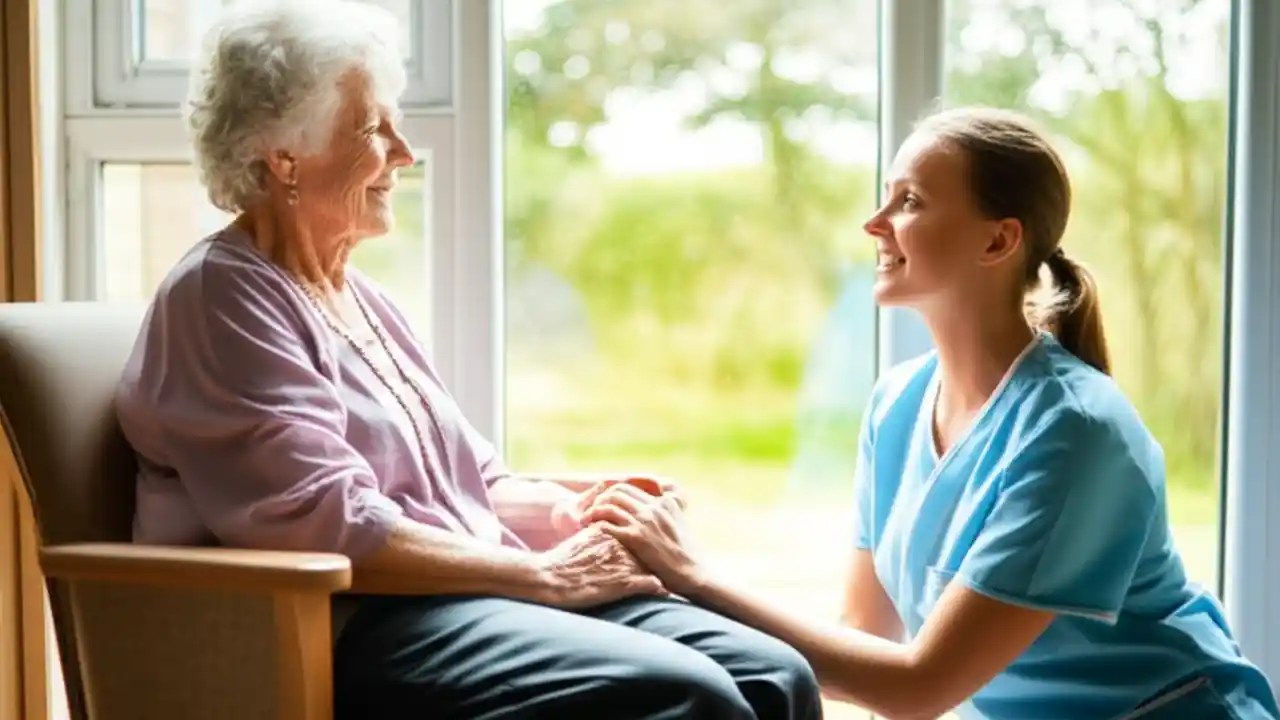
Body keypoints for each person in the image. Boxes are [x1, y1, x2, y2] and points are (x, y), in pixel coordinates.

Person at [113, 2, 821, 718]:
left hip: (461, 594)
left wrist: (584, 509)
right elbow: (321, 521)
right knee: (691, 699)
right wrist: (540, 575)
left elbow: (469, 484)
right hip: (351, 625)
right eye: (372, 128)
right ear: (284, 156)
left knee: (775, 674)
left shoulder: (362, 299)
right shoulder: (222, 297)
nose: (404, 152)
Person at [587, 107, 1280, 719]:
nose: (875, 223)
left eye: (910, 200)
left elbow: (917, 688)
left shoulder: (1077, 433)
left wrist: (692, 576)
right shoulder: (896, 404)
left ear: (997, 241)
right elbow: (865, 637)